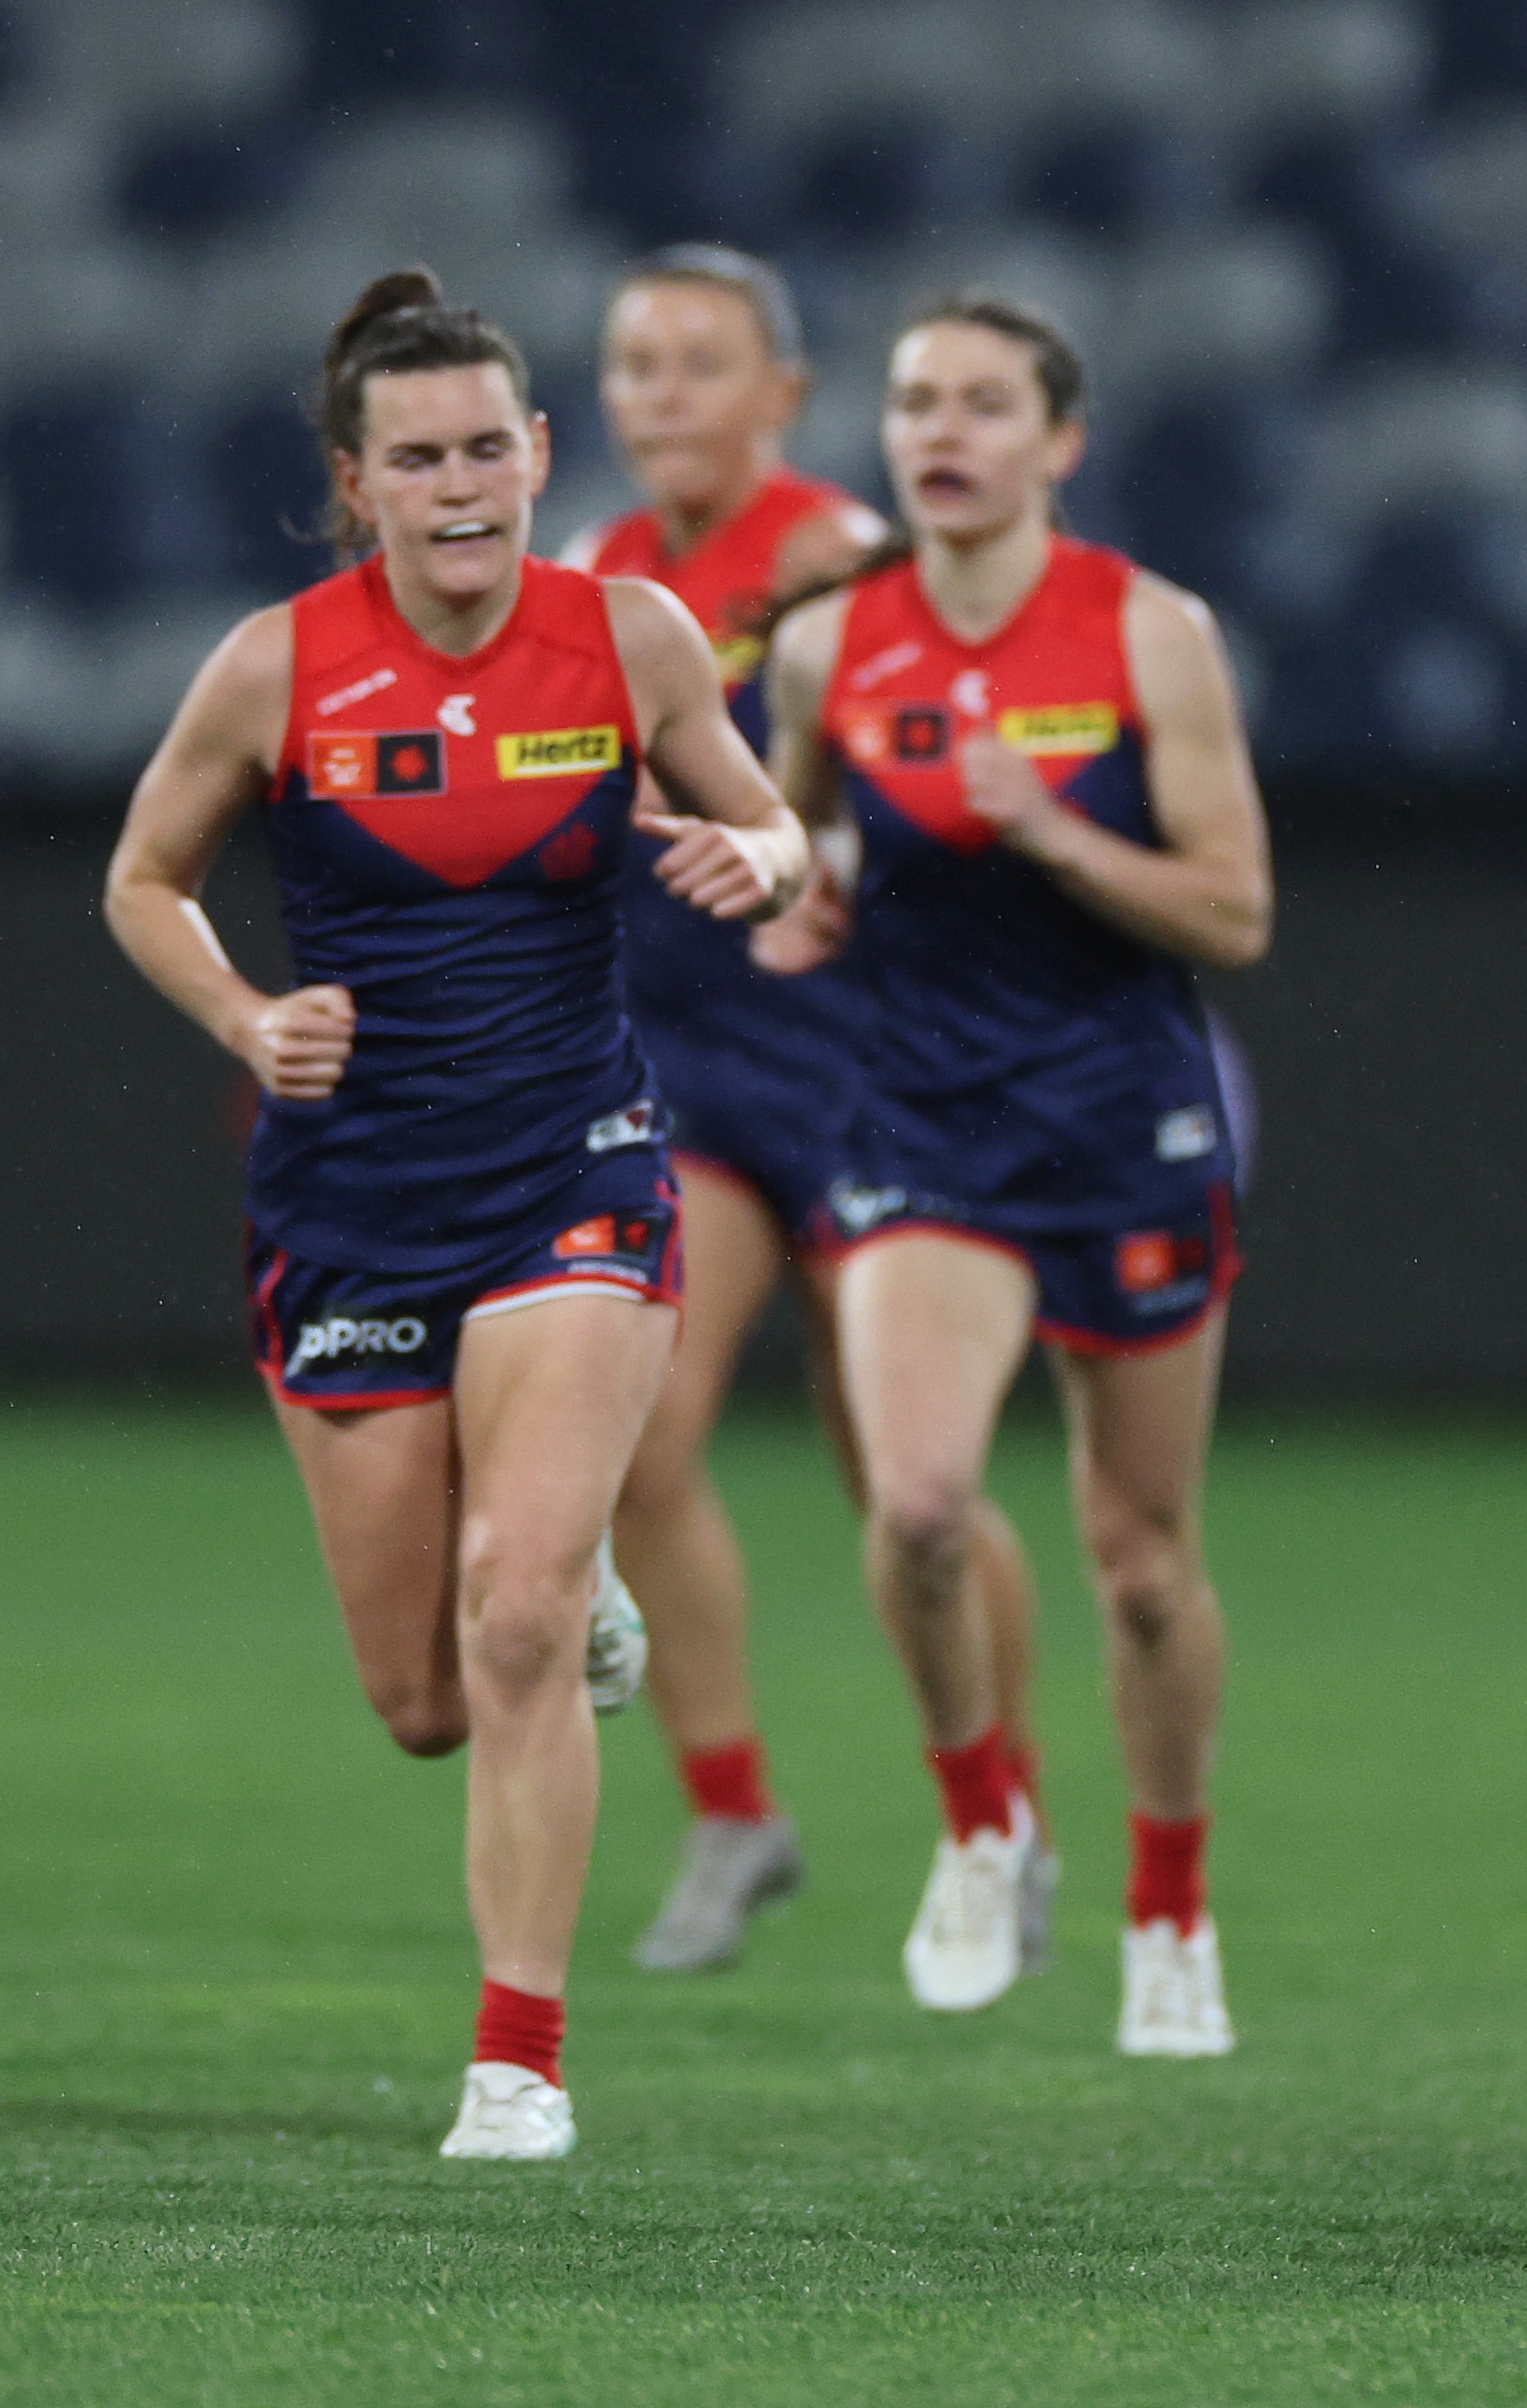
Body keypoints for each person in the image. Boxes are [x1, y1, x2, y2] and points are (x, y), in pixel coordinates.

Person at [101, 270, 810, 2157]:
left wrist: (761, 850)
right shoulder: (276, 665)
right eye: (419, 458)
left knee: (508, 1622)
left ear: (539, 452)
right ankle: (563, 1569)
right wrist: (248, 1013)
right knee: (423, 1696)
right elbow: (144, 880)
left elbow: (774, 818)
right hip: (348, 1200)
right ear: (360, 484)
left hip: (574, 1168)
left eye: (491, 445)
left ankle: (518, 2060)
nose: (463, 485)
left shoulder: (635, 636)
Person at [763, 293, 1272, 2047]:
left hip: (1122, 1124)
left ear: (1059, 442)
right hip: (924, 1129)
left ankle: (1171, 1903)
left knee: (1139, 1559)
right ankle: (983, 1821)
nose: (940, 433)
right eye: (914, 402)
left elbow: (1237, 908)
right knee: (913, 1508)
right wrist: (799, 897)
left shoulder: (1148, 632)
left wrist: (1051, 824)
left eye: (984, 403)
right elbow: (803, 843)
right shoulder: (835, 646)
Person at [566, 245, 1047, 1975]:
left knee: (902, 1482)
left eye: (699, 364)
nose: (661, 396)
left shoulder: (840, 561)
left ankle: (1000, 1812)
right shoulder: (600, 575)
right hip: (680, 1056)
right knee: (643, 1429)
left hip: (860, 1060)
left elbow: (899, 805)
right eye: (634, 366)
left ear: (780, 392)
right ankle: (734, 1809)